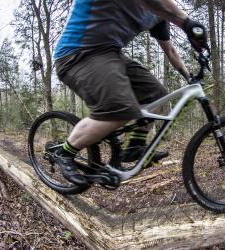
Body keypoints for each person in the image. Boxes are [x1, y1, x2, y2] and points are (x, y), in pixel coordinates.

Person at [46, 0, 210, 185]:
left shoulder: (158, 14)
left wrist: (189, 76)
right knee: (120, 108)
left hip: (110, 53)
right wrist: (187, 23)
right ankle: (65, 153)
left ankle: (135, 146)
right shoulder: (159, 6)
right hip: (77, 54)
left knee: (157, 94)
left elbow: (170, 50)